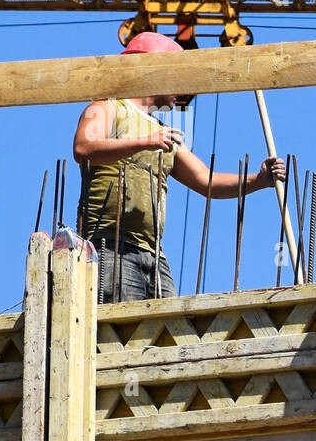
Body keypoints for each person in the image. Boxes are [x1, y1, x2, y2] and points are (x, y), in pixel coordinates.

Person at [71, 30, 286, 301]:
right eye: (177, 77)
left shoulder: (163, 133)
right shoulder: (108, 107)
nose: (183, 90)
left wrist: (258, 180)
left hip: (153, 254)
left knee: (165, 333)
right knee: (120, 335)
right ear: (153, 70)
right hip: (111, 246)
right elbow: (84, 148)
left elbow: (207, 182)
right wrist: (144, 142)